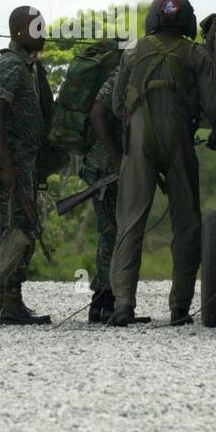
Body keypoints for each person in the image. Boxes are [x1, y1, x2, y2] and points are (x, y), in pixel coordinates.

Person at [108, 0, 216, 327]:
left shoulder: (131, 52)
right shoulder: (196, 54)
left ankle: (123, 306)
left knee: (130, 222)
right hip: (179, 142)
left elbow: (117, 105)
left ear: (153, 20)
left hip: (138, 142)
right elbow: (212, 107)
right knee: (186, 224)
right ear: (186, 20)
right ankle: (179, 308)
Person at [0, 5, 52, 325]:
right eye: (36, 27)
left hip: (24, 165)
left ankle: (12, 302)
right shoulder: (11, 66)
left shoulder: (28, 67)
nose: (43, 33)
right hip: (9, 166)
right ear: (17, 31)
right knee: (13, 233)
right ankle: (8, 305)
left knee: (22, 230)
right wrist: (9, 167)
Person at [81, 68, 122, 323]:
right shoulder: (118, 75)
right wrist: (116, 156)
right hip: (105, 168)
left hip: (106, 166)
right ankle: (104, 299)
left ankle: (101, 302)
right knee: (112, 232)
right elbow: (97, 113)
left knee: (111, 231)